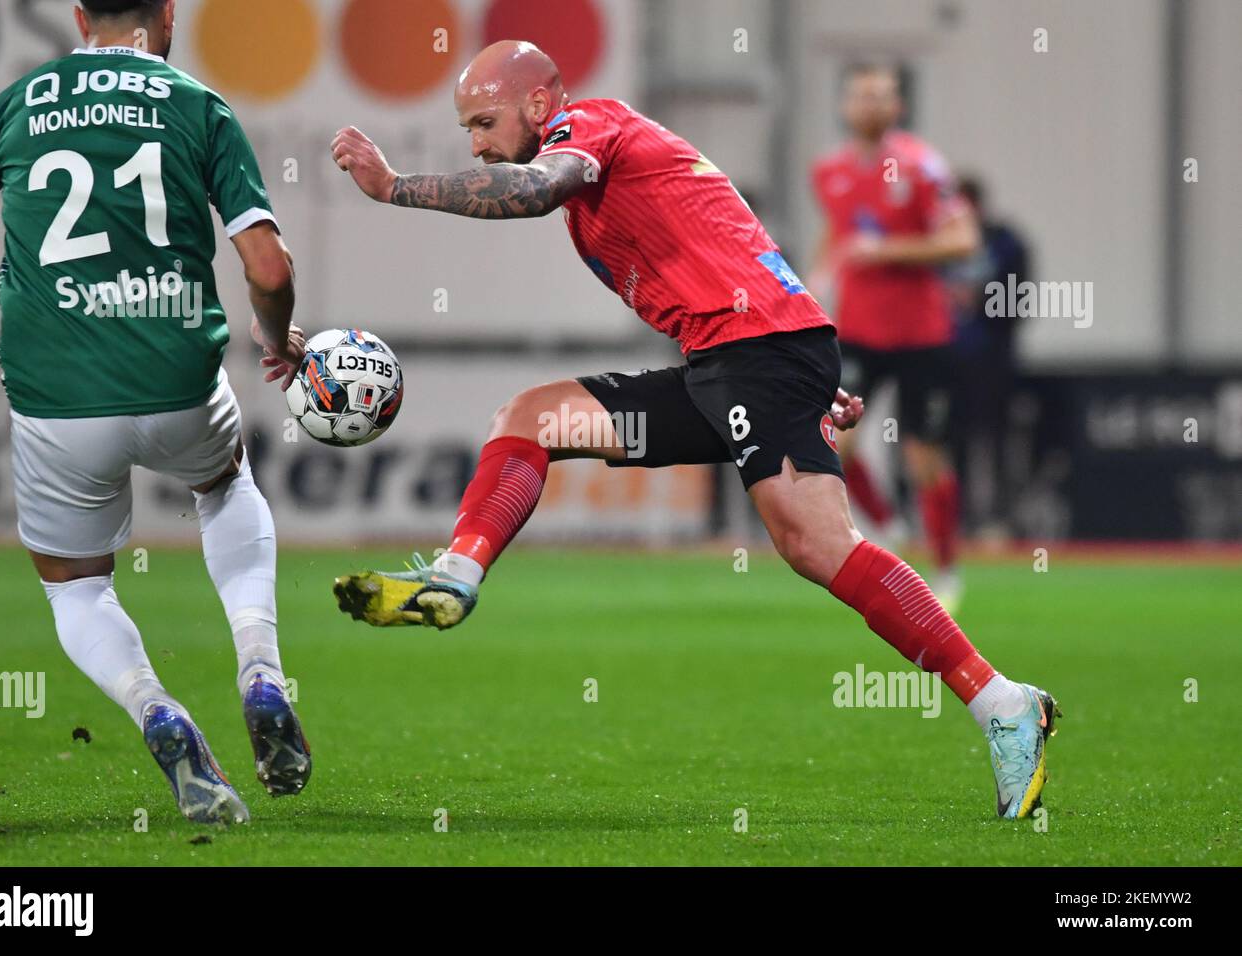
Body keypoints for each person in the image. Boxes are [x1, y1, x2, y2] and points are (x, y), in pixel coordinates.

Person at [329, 41, 1058, 819]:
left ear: (539, 105)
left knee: (816, 545)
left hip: (755, 353)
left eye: (483, 121)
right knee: (528, 418)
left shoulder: (589, 127)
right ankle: (456, 577)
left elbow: (533, 188)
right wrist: (807, 369)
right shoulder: (605, 169)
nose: (474, 141)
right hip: (736, 362)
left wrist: (396, 186)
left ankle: (1003, 703)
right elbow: (729, 239)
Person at [0, 0, 311, 824]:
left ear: (79, 15)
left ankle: (155, 708)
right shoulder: (196, 104)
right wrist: (278, 338)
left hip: (56, 394)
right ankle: (260, 668)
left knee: (75, 590)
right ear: (168, 14)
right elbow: (268, 265)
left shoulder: (16, 105)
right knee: (222, 485)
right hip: (179, 379)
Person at [810, 63, 977, 611]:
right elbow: (836, 236)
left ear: (898, 107)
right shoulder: (829, 172)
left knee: (923, 454)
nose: (871, 105)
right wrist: (811, 286)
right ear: (844, 106)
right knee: (838, 439)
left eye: (882, 96)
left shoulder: (922, 166)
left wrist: (887, 252)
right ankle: (887, 525)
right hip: (858, 330)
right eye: (861, 95)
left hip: (921, 333)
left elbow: (963, 240)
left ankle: (947, 570)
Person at [945, 174, 1032, 535]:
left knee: (995, 436)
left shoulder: (1007, 244)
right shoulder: (937, 243)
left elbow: (1018, 300)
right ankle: (956, 517)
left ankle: (1000, 517)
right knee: (950, 439)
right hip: (945, 359)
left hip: (991, 358)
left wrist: (980, 300)